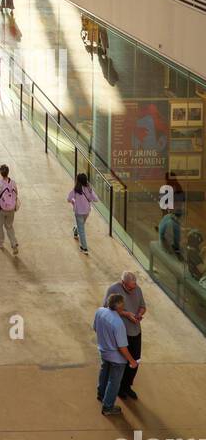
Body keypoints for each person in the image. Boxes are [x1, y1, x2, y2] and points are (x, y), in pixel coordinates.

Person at [93, 293, 138, 415]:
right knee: (114, 382)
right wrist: (132, 361)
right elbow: (122, 347)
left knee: (104, 372)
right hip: (116, 359)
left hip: (103, 351)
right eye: (123, 304)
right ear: (119, 306)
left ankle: (101, 394)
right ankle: (108, 407)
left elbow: (95, 328)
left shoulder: (100, 311)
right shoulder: (118, 323)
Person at [104, 271, 146, 401]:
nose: (132, 289)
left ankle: (127, 385)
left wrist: (139, 313)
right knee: (121, 362)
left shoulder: (137, 289)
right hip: (121, 332)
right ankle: (119, 388)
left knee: (135, 360)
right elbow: (107, 309)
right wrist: (127, 314)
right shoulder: (113, 289)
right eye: (130, 287)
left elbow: (143, 306)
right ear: (123, 283)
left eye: (134, 287)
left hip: (135, 331)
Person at [67, 172, 97, 254]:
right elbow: (96, 199)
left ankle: (84, 248)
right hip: (87, 211)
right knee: (81, 225)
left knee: (82, 230)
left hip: (78, 212)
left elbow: (69, 199)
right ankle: (76, 231)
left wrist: (74, 202)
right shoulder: (89, 189)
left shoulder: (76, 190)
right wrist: (90, 195)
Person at [0, 164, 19, 254]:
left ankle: (0, 242)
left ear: (1, 173)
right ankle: (14, 243)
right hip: (11, 208)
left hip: (2, 209)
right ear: (8, 172)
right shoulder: (13, 182)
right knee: (9, 226)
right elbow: (16, 193)